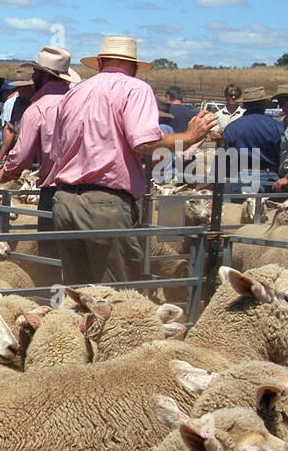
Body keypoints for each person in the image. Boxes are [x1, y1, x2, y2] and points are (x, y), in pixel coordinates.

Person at [47, 36, 216, 286]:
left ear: (101, 62)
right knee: (118, 291)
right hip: (106, 205)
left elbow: (58, 147)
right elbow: (144, 143)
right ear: (135, 66)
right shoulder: (136, 89)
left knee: (78, 290)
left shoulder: (75, 92)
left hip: (65, 201)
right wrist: (189, 136)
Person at [0, 46, 80, 212]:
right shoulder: (80, 102)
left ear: (44, 75)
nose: (33, 76)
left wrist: (6, 172)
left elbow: (22, 154)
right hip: (86, 189)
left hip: (54, 190)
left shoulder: (38, 108)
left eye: (35, 72)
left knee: (49, 236)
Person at [220, 87, 282, 194]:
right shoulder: (276, 126)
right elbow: (284, 152)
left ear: (244, 105)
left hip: (242, 176)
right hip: (269, 176)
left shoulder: (232, 127)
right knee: (269, 210)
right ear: (264, 104)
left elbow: (223, 155)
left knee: (240, 209)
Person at [0, 64, 35, 166]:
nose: (18, 90)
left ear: (31, 86)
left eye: (21, 87)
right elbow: (10, 128)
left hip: (33, 155)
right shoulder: (18, 101)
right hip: (17, 151)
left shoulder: (39, 102)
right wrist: (2, 154)